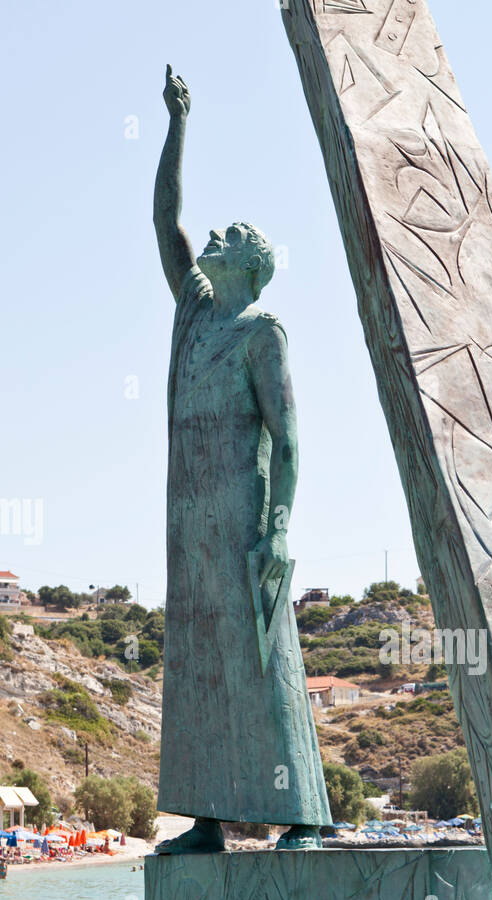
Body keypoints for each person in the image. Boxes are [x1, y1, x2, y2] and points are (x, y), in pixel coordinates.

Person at [152, 67, 330, 855]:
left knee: (263, 661)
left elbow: (288, 437)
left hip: (241, 521)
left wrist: (280, 532)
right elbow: (166, 220)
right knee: (198, 664)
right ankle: (208, 816)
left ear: (253, 269)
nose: (216, 238)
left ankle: (305, 816)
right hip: (186, 524)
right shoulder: (193, 307)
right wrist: (177, 124)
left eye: (235, 239)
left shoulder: (264, 334)